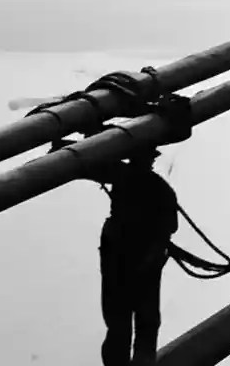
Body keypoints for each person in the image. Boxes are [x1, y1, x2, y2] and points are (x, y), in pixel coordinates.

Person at [71, 143, 179, 366]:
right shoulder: (143, 183)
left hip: (133, 259)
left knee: (130, 321)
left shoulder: (130, 179)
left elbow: (167, 228)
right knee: (130, 323)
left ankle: (137, 361)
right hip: (129, 259)